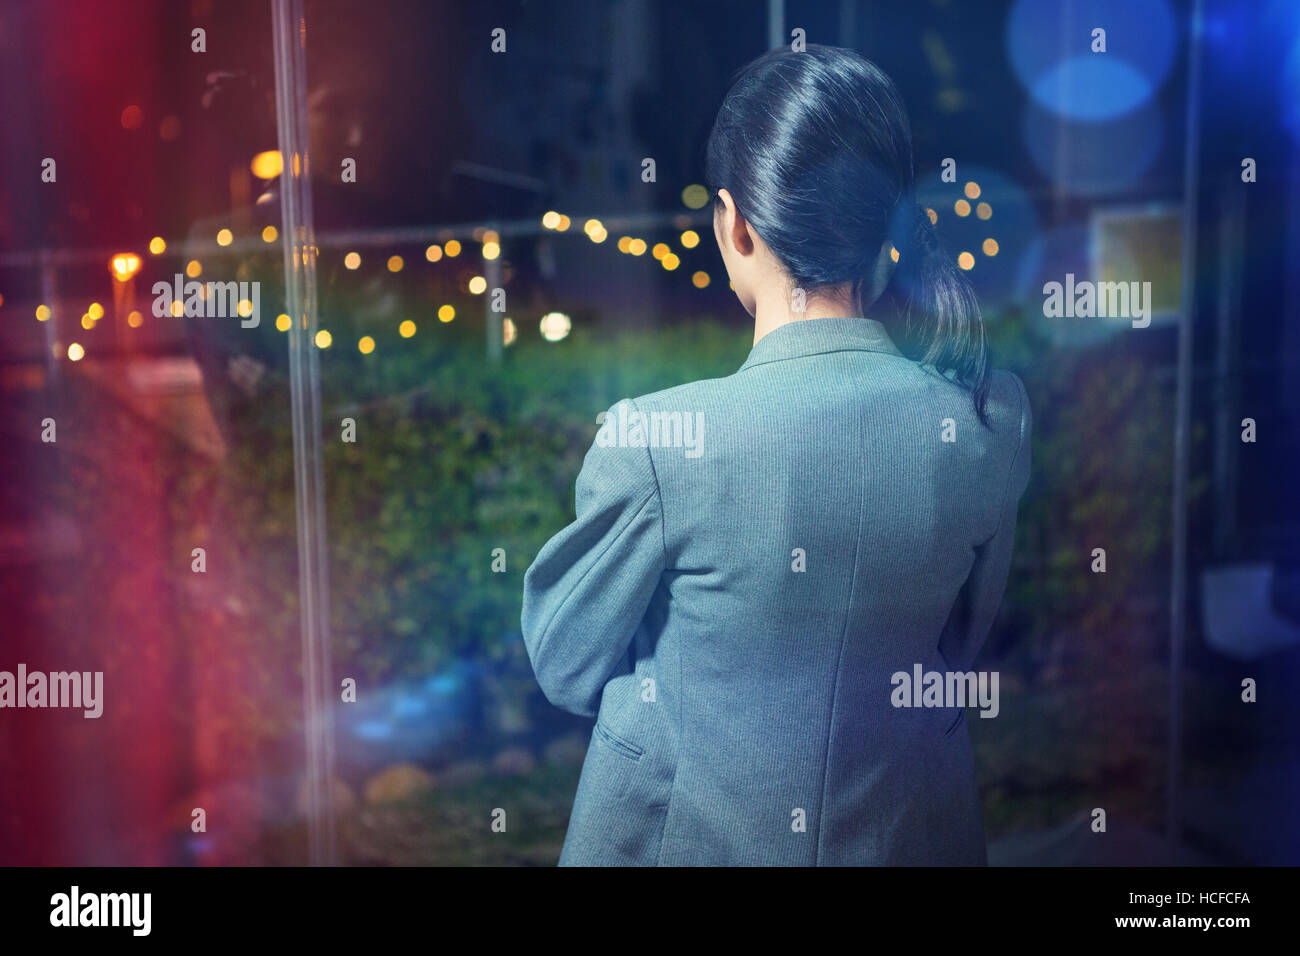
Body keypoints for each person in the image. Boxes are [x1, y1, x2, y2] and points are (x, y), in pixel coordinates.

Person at [521, 45, 1030, 866]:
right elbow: (955, 648)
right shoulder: (985, 422)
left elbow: (566, 662)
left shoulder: (656, 440)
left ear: (734, 225)